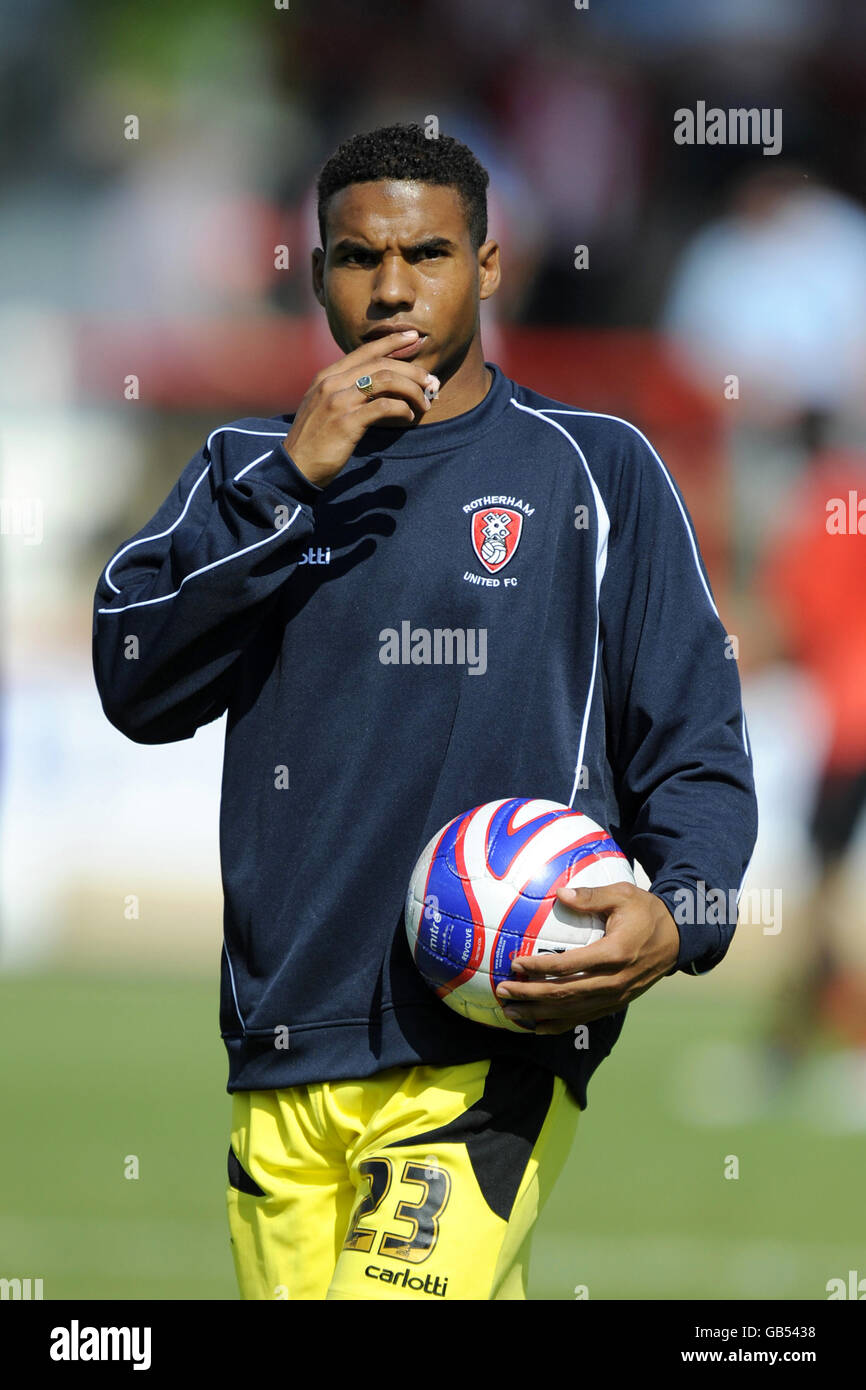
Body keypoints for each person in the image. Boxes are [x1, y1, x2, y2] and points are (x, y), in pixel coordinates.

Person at [92, 123, 758, 1300]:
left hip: (490, 1031)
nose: (392, 287)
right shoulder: (244, 466)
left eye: (428, 253)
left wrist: (681, 914)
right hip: (283, 1041)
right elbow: (135, 683)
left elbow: (694, 737)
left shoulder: (594, 470)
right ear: (315, 274)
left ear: (488, 264)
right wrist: (290, 486)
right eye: (358, 258)